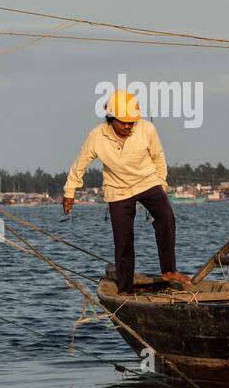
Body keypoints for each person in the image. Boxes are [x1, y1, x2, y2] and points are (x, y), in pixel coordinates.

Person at [62, 90, 192, 294]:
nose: (128, 127)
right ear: (111, 118)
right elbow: (80, 164)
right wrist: (70, 192)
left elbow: (159, 158)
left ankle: (169, 270)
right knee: (123, 241)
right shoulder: (97, 136)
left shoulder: (147, 129)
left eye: (131, 122)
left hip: (147, 181)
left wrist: (161, 186)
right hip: (117, 189)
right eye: (123, 122)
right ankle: (125, 289)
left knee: (167, 217)